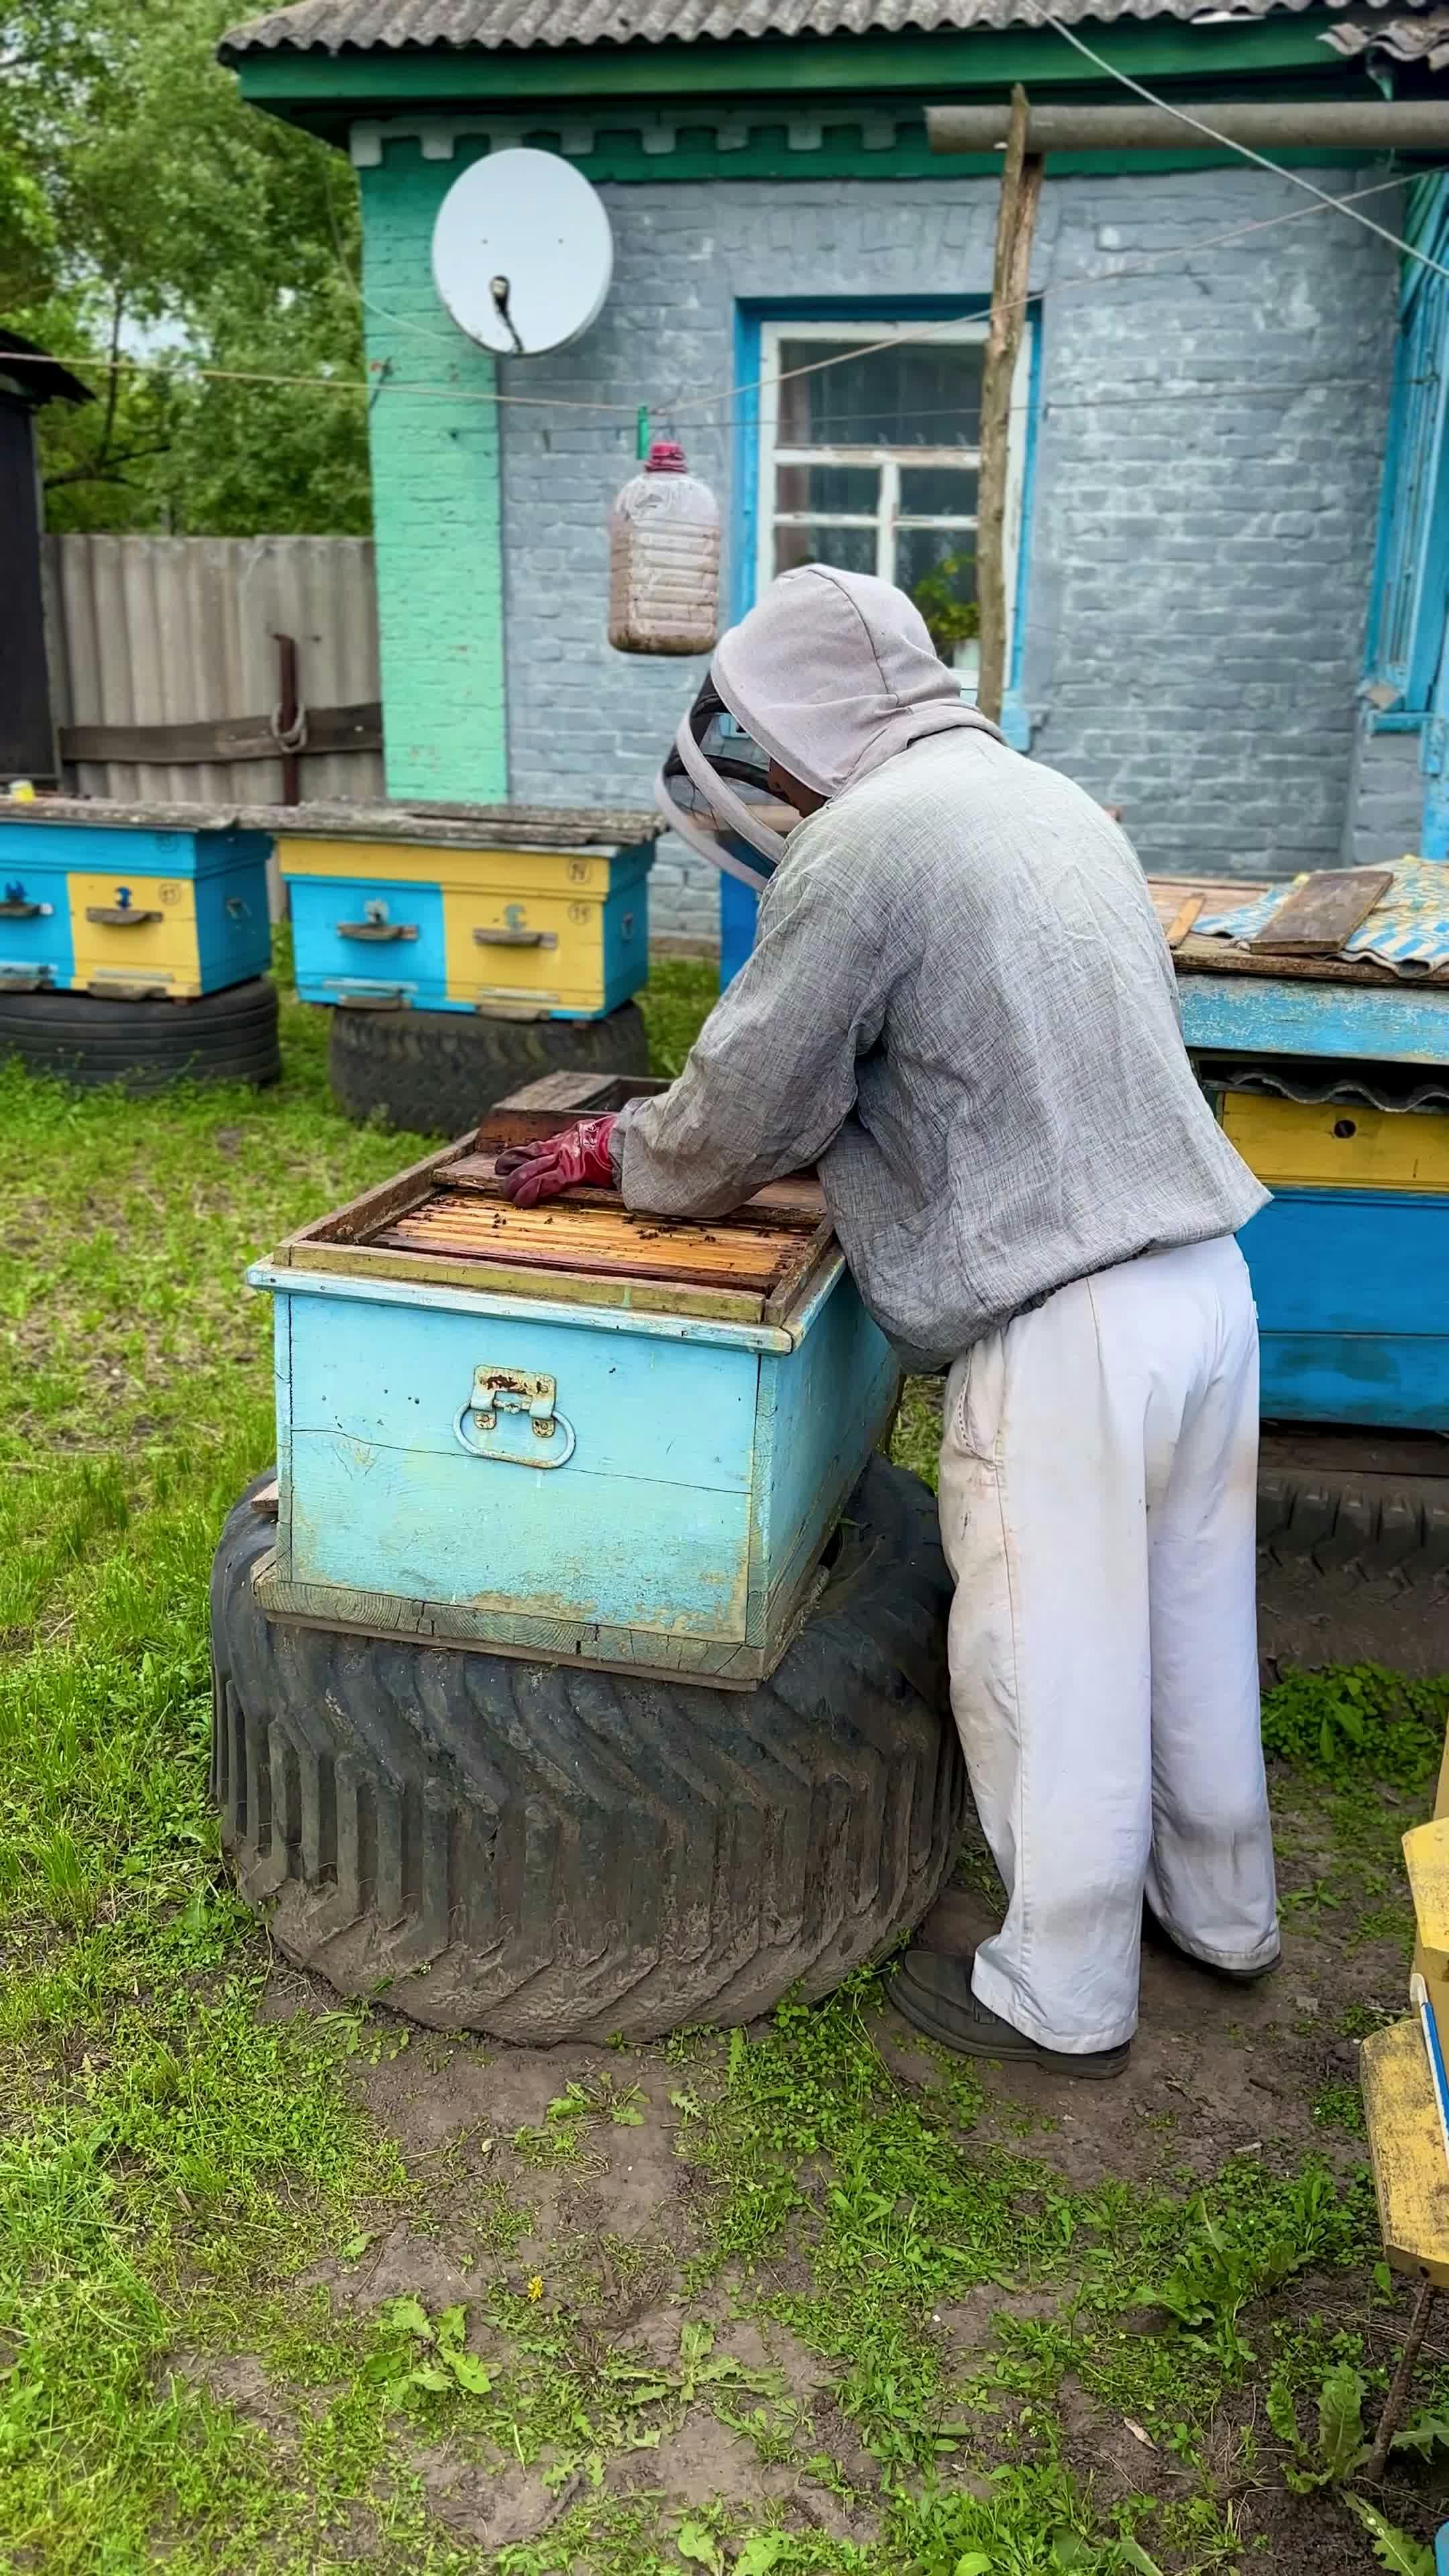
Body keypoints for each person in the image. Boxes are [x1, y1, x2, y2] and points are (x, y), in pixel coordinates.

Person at [497, 566, 1281, 2079]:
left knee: (1049, 1651)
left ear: (787, 727)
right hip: (1203, 1283)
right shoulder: (1041, 798)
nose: (759, 781)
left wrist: (627, 1152)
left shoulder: (867, 842)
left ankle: (1063, 1990)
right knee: (1190, 1622)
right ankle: (1226, 1914)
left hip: (1071, 1317)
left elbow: (748, 1102)